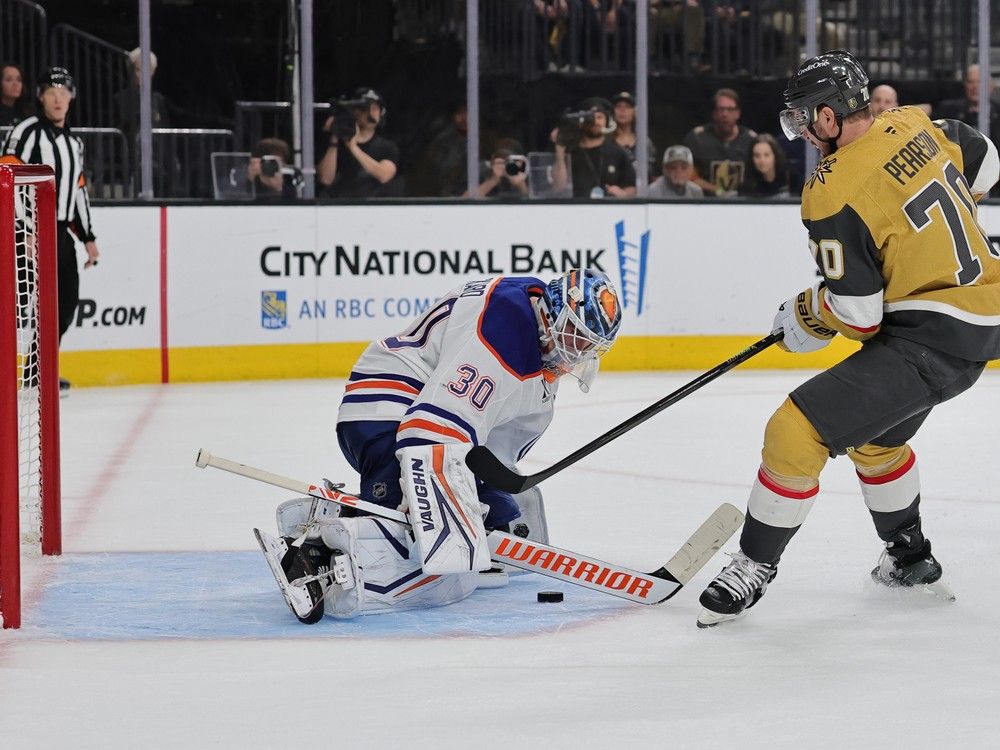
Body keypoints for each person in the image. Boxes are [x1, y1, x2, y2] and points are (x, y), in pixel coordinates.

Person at [697, 50, 1000, 628]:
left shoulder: (831, 190)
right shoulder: (912, 122)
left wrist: (810, 312)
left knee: (794, 429)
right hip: (978, 328)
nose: (805, 133)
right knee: (877, 444)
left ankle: (753, 566)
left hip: (927, 340)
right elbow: (985, 163)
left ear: (831, 116)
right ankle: (910, 560)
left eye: (806, 119)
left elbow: (859, 317)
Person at [256, 269, 623, 622]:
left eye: (589, 347)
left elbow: (494, 450)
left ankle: (346, 519)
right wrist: (437, 510)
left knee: (497, 524)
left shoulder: (535, 337)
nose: (578, 354)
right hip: (386, 411)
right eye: (575, 337)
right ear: (554, 312)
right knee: (438, 567)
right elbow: (431, 426)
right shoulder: (507, 329)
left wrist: (491, 507)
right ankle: (312, 555)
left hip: (416, 416)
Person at [1, 67, 101, 395]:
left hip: (58, 234)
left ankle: (36, 371)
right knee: (17, 305)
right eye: (51, 92)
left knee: (65, 303)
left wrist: (87, 237)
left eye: (63, 92)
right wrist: (25, 229)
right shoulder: (26, 132)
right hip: (25, 232)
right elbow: (9, 180)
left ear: (71, 99)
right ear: (41, 97)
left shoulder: (74, 142)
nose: (58, 98)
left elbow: (78, 190)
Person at [317, 88, 401, 198]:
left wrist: (353, 147)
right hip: (337, 206)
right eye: (364, 108)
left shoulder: (387, 147)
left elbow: (384, 175)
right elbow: (325, 179)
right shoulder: (335, 144)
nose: (370, 113)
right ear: (354, 111)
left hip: (371, 208)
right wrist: (335, 138)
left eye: (375, 108)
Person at [552, 97, 636, 198]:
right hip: (576, 208)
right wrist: (560, 151)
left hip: (609, 209)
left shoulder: (618, 153)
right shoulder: (570, 152)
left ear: (607, 121)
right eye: (591, 118)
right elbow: (558, 187)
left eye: (600, 117)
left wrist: (624, 193)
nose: (595, 122)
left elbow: (632, 187)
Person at [683, 87, 757, 197]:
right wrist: (718, 191)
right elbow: (686, 175)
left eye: (730, 109)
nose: (725, 114)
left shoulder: (751, 140)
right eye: (721, 109)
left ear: (738, 113)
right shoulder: (697, 139)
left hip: (743, 204)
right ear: (714, 113)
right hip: (703, 203)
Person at [933, 64, 1000, 146]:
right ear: (965, 85)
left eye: (980, 82)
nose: (975, 86)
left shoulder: (998, 111)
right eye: (970, 82)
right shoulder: (948, 111)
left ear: (990, 87)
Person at [611, 91, 657, 180]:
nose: (622, 110)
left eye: (627, 107)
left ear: (634, 112)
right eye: (618, 106)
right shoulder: (607, 141)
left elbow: (650, 172)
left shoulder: (645, 142)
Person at [738, 133, 800, 198]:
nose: (762, 160)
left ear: (775, 155)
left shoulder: (791, 176)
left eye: (766, 155)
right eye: (757, 155)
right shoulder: (747, 183)